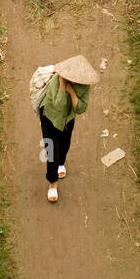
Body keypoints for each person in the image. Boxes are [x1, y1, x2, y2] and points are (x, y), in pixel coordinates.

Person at [35, 54, 98, 203]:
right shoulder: (57, 80)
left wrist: (72, 92)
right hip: (50, 117)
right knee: (51, 150)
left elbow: (81, 109)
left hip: (67, 120)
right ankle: (53, 182)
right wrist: (63, 87)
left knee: (64, 145)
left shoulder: (84, 87)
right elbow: (58, 106)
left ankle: (61, 163)